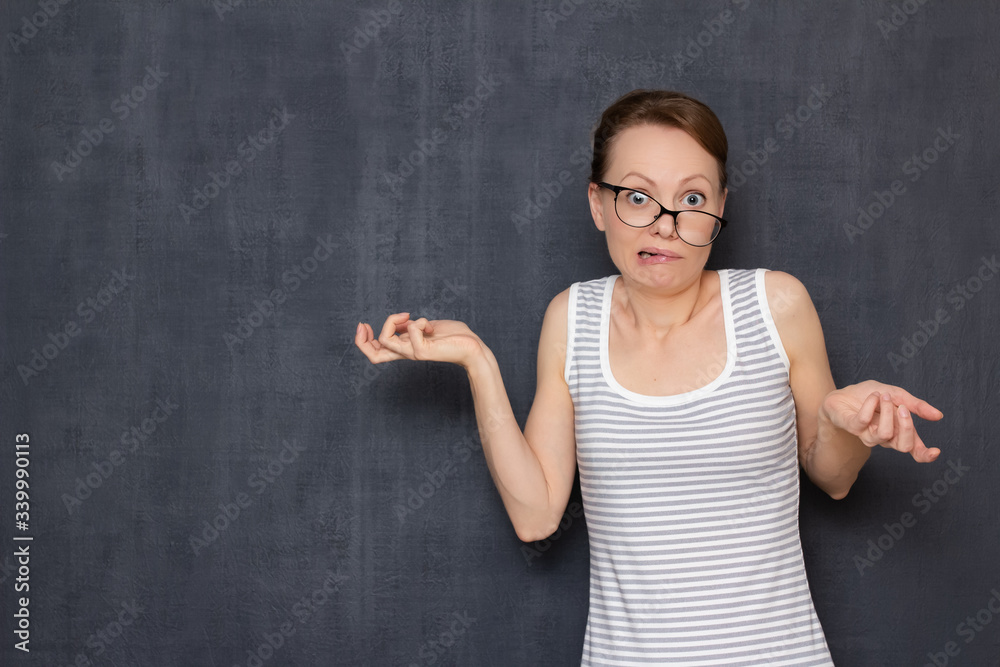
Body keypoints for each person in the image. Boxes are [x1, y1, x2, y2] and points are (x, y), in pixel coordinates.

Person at [354, 89, 944, 665]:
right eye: (638, 197)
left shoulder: (776, 304)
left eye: (692, 198)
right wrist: (478, 362)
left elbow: (833, 479)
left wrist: (847, 427)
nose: (666, 225)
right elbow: (535, 517)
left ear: (719, 210)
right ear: (597, 203)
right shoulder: (572, 319)